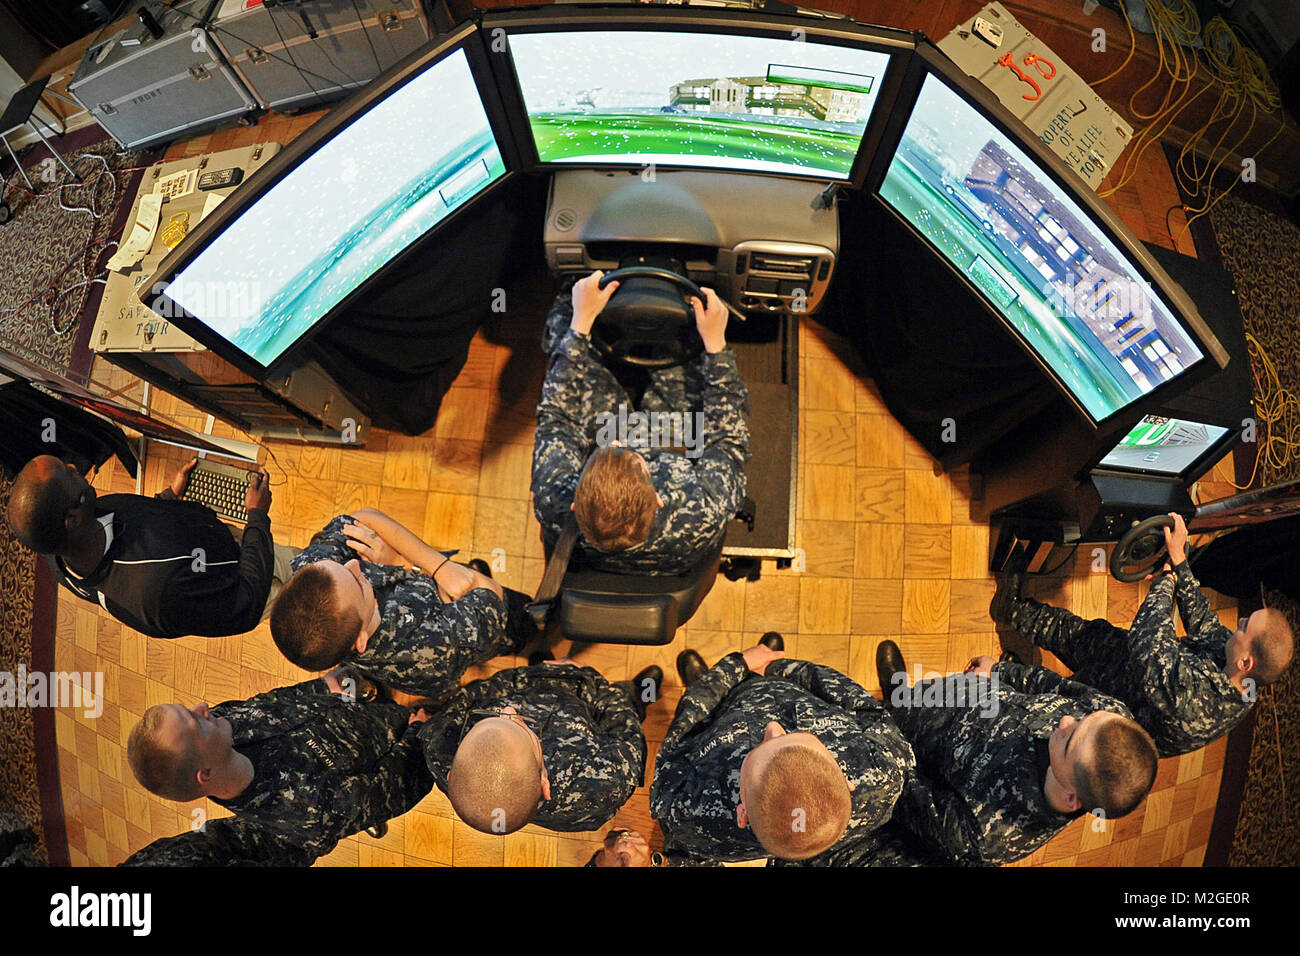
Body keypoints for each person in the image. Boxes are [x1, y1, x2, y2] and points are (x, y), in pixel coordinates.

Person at [991, 513, 1295, 757]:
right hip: (1133, 669)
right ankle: (1012, 610)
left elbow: (1147, 642)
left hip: (1113, 709)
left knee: (1054, 706)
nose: (1238, 625)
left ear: (1245, 663)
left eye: (1244, 628)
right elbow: (1203, 621)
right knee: (1083, 635)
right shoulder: (1236, 665)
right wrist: (1179, 564)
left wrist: (1165, 582)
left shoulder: (1195, 706)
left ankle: (1004, 690)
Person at [530, 271, 749, 575]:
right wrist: (715, 345)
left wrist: (581, 322)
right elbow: (727, 438)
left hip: (600, 432)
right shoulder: (700, 511)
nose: (620, 442)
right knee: (688, 340)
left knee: (565, 318)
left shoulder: (553, 501)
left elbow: (557, 417)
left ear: (574, 504)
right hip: (671, 442)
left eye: (611, 451)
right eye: (632, 458)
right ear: (659, 499)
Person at [876, 640, 1158, 866]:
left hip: (908, 740)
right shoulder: (1113, 718)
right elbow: (1051, 684)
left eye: (1070, 740)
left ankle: (887, 708)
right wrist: (998, 671)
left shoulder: (987, 835)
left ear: (1071, 798)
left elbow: (907, 792)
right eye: (1084, 717)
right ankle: (900, 695)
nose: (1065, 721)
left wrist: (877, 736)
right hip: (959, 692)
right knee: (914, 696)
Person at [649, 637, 914, 863]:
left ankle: (717, 686)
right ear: (847, 782)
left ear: (743, 813)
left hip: (725, 708)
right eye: (799, 737)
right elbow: (864, 708)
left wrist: (729, 672)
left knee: (705, 707)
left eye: (760, 748)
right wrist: (781, 669)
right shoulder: (883, 772)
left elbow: (682, 736)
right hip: (789, 686)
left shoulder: (689, 814)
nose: (774, 726)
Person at [125, 673, 432, 861]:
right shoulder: (303, 815)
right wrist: (419, 732)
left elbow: (272, 702)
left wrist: (323, 686)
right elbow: (395, 785)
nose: (202, 707)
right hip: (407, 734)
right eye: (193, 721)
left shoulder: (222, 729)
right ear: (205, 774)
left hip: (359, 704)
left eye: (188, 709)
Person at [6, 454, 293, 639]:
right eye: (67, 475)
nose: (72, 466)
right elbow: (245, 605)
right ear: (72, 518)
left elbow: (139, 519)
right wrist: (257, 516)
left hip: (222, 545)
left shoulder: (65, 548)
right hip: (255, 575)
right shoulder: (156, 592)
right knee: (317, 574)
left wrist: (167, 497)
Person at [271, 509, 529, 703]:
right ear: (360, 640)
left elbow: (364, 517)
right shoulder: (429, 650)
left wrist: (427, 567)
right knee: (522, 622)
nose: (354, 565)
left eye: (341, 565)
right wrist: (421, 563)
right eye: (358, 582)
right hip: (488, 626)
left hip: (443, 597)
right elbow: (491, 596)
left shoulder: (317, 575)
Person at [419, 659, 656, 835]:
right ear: (544, 784)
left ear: (451, 776)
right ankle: (644, 693)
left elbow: (473, 695)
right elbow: (623, 727)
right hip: (588, 700)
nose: (508, 711)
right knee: (634, 700)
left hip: (531, 686)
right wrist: (584, 677)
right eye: (523, 729)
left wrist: (540, 673)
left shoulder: (439, 748)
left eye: (487, 720)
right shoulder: (606, 781)